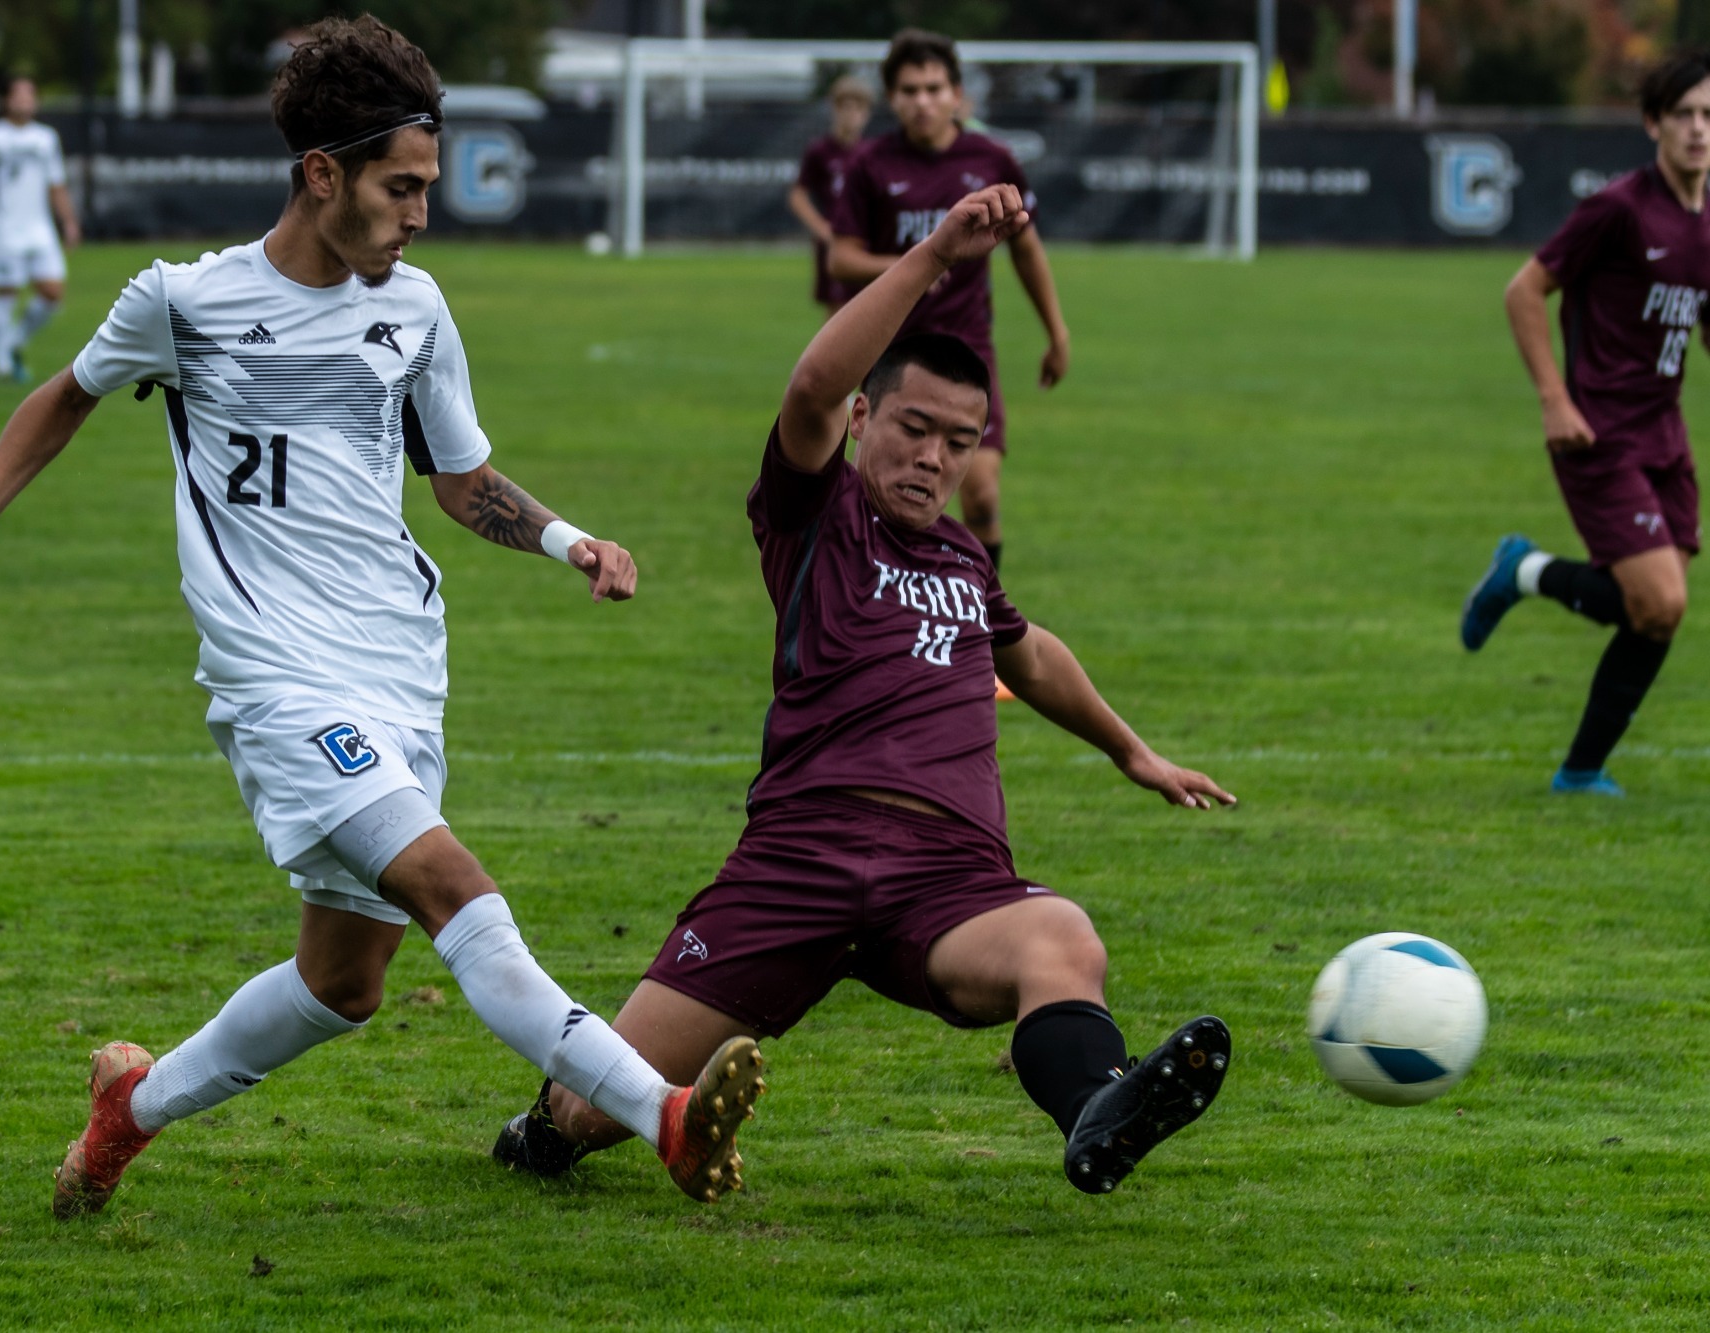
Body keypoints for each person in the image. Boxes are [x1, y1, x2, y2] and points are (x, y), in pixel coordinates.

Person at [0, 17, 761, 1217]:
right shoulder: (186, 302)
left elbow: (459, 481)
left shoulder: (414, 311)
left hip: (401, 669)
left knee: (345, 983)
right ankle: (662, 1113)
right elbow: (67, 394)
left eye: (426, 189)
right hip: (279, 683)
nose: (419, 212)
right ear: (322, 175)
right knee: (456, 888)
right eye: (399, 187)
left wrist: (570, 542)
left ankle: (123, 1115)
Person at [494, 185, 1234, 1198]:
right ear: (863, 419)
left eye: (958, 440)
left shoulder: (966, 559)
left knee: (1061, 937)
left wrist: (1130, 751)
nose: (933, 456)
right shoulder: (816, 512)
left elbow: (1026, 653)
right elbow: (806, 387)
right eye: (913, 427)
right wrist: (936, 254)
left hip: (946, 874)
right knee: (597, 1101)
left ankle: (1098, 1109)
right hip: (796, 860)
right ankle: (542, 1132)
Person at [1461, 50, 1707, 797]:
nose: (1700, 129)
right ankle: (1524, 572)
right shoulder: (1621, 208)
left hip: (1664, 432)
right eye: (1685, 115)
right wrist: (1552, 397)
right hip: (1597, 431)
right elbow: (1524, 291)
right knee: (1660, 600)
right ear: (1652, 123)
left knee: (1654, 612)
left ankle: (1581, 768)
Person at [828, 29, 1070, 574]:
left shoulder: (990, 159)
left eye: (934, 88)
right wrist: (918, 265)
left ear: (958, 94)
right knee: (876, 497)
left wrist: (1057, 333)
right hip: (889, 354)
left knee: (981, 492)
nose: (923, 101)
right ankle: (887, 609)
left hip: (966, 353)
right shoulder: (870, 165)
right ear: (892, 98)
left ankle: (983, 620)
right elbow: (841, 259)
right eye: (910, 90)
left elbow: (1025, 248)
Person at [0, 76, 80, 383]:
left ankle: (14, 342)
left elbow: (57, 184)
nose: (25, 100)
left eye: (31, 94)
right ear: (6, 100)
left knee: (53, 293)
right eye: (19, 95)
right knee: (6, 292)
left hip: (39, 229)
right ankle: (2, 363)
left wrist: (67, 221)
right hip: (4, 228)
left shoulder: (46, 138)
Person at [788, 75, 873, 318]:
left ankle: (868, 357)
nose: (852, 115)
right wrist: (820, 228)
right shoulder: (820, 151)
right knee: (837, 311)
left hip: (864, 242)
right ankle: (834, 357)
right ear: (834, 110)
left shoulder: (870, 153)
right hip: (834, 241)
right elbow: (798, 195)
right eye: (845, 108)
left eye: (858, 108)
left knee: (870, 307)